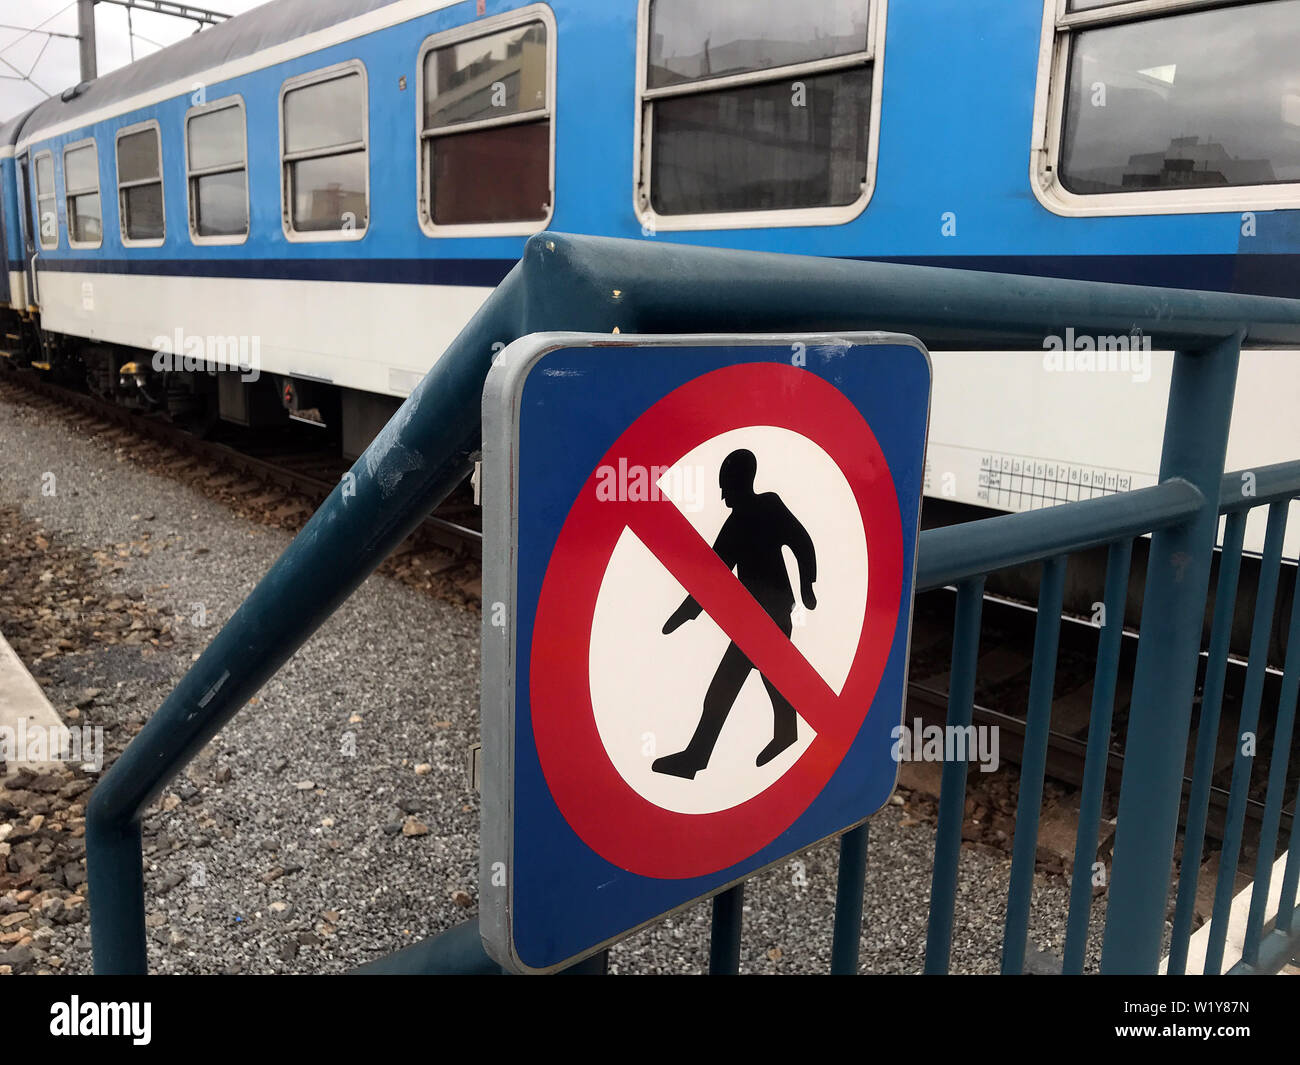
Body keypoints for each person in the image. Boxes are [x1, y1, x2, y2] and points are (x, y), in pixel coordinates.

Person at [653, 449, 817, 780]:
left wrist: (808, 586)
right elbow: (712, 574)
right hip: (753, 616)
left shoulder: (769, 506)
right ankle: (785, 732)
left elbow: (802, 542)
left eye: (726, 486)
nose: (722, 494)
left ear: (741, 482)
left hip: (767, 616)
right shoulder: (735, 523)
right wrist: (687, 611)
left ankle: (696, 757)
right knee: (773, 677)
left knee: (723, 688)